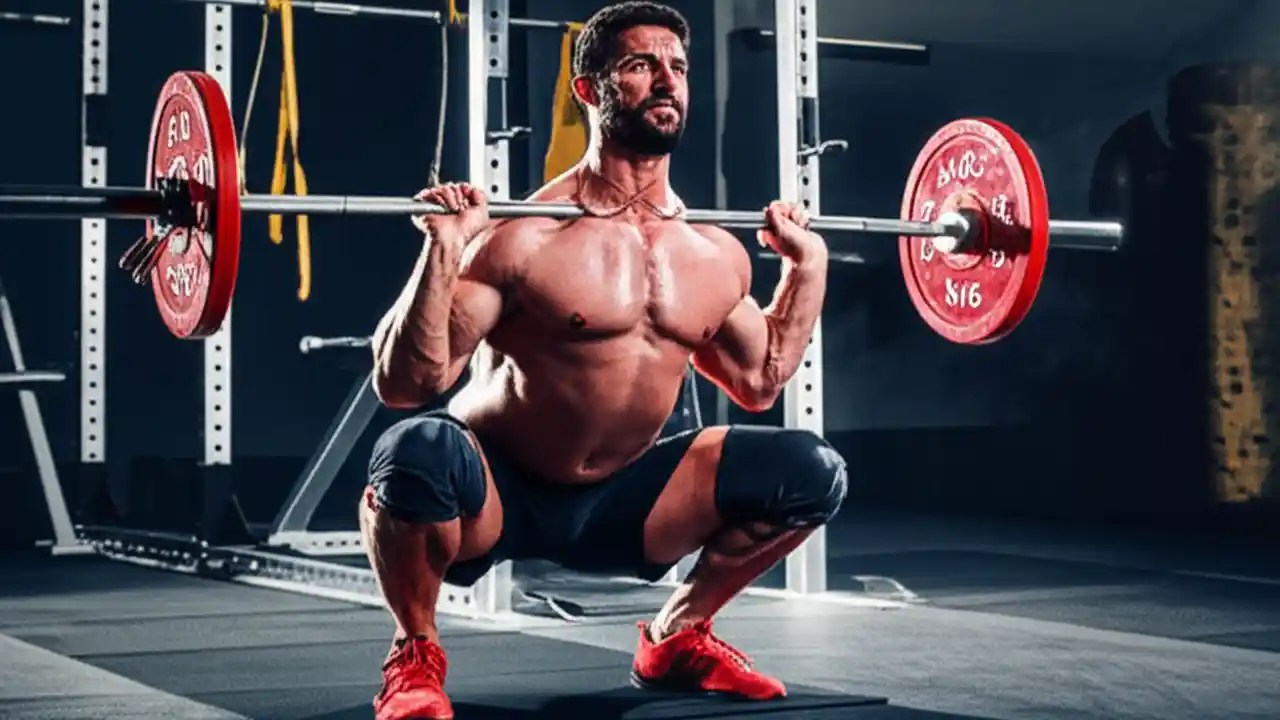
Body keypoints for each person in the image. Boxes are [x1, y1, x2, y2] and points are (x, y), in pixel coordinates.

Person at [361, 3, 846, 719]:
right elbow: (407, 384)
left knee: (810, 472)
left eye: (678, 67)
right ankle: (415, 656)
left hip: (628, 500)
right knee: (414, 449)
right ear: (589, 89)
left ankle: (677, 637)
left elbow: (760, 380)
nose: (667, 81)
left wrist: (809, 268)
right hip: (496, 495)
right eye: (640, 65)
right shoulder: (524, 237)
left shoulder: (711, 253)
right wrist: (443, 248)